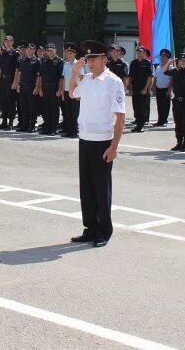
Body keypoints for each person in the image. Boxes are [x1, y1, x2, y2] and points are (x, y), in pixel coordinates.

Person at [69, 40, 125, 248]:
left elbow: (120, 117)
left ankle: (104, 230)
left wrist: (114, 147)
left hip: (103, 141)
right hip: (85, 139)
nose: (90, 63)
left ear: (104, 59)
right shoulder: (87, 80)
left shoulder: (113, 82)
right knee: (87, 188)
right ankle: (90, 228)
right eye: (88, 59)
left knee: (102, 188)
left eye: (94, 59)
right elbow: (72, 92)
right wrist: (76, 70)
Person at [165, 53, 185, 152]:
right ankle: (179, 143)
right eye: (181, 60)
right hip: (177, 101)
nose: (183, 62)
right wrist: (170, 61)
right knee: (178, 124)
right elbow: (165, 70)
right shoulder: (175, 71)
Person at [38, 43, 64, 135]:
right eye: (48, 50)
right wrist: (40, 88)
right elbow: (41, 76)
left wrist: (60, 90)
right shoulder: (44, 61)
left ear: (55, 51)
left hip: (54, 88)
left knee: (54, 109)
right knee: (46, 108)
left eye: (51, 50)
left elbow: (61, 78)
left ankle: (53, 128)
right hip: (45, 87)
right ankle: (47, 127)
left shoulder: (59, 61)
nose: (49, 52)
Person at [0, 36, 20, 130]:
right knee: (3, 101)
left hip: (11, 79)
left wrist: (15, 82)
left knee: (11, 102)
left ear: (12, 42)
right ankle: (4, 122)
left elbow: (17, 69)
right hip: (3, 80)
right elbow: (1, 69)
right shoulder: (4, 53)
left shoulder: (15, 54)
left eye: (8, 41)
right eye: (5, 41)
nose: (7, 42)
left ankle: (11, 122)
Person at [16, 43, 41, 133]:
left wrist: (36, 87)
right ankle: (24, 125)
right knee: (23, 107)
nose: (29, 51)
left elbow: (39, 76)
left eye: (31, 49)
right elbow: (20, 73)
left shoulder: (37, 61)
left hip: (31, 87)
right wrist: (18, 84)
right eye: (27, 49)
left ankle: (32, 126)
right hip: (23, 86)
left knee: (32, 108)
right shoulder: (23, 61)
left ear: (34, 51)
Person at [128, 46, 153, 132]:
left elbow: (150, 77)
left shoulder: (147, 63)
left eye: (141, 51)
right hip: (135, 89)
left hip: (143, 89)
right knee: (136, 107)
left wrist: (146, 89)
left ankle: (141, 125)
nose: (139, 53)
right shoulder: (133, 63)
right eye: (138, 51)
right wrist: (129, 87)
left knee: (142, 108)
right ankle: (137, 123)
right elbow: (130, 76)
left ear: (144, 53)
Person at [61, 43, 82, 138]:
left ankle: (74, 131)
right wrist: (62, 91)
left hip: (75, 91)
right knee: (67, 112)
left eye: (71, 53)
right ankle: (69, 131)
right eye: (67, 53)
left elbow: (81, 79)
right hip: (66, 91)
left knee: (75, 113)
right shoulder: (65, 64)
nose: (69, 55)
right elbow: (64, 78)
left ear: (74, 54)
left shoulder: (79, 64)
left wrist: (79, 93)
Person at [153, 49, 172, 127]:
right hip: (158, 88)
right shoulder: (157, 67)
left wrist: (169, 90)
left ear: (168, 58)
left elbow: (172, 80)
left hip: (166, 89)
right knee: (159, 105)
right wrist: (154, 87)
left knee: (165, 106)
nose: (163, 58)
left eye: (165, 57)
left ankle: (164, 121)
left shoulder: (170, 67)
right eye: (162, 56)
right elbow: (155, 78)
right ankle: (159, 121)